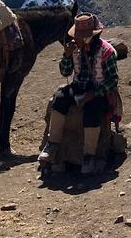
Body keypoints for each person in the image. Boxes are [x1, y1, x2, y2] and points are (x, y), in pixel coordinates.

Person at [38, 13, 119, 175]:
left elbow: (112, 81)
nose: (78, 39)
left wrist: (95, 93)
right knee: (60, 97)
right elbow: (65, 72)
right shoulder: (74, 50)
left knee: (92, 109)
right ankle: (52, 144)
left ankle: (89, 154)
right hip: (79, 86)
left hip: (99, 91)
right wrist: (66, 56)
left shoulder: (107, 51)